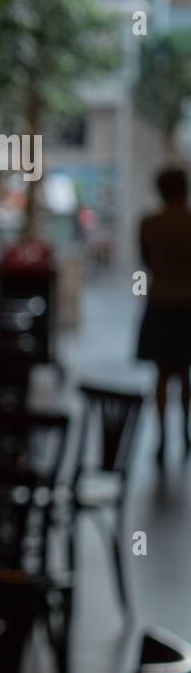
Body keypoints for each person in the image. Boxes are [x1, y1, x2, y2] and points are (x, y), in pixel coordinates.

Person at [137, 166, 191, 466]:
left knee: (160, 374)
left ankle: (161, 437)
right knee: (185, 373)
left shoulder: (149, 223)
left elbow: (145, 261)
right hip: (188, 303)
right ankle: (184, 430)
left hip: (160, 301)